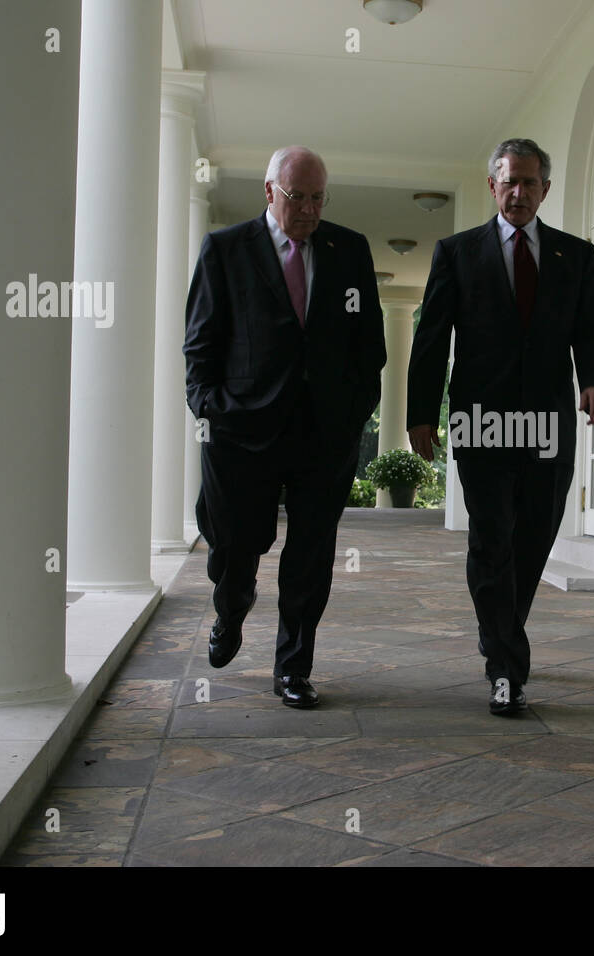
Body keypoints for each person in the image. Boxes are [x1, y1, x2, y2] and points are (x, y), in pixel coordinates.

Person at [406, 138, 594, 716]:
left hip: (549, 421)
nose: (519, 192)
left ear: (544, 190)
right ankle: (506, 667)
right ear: (493, 186)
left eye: (530, 183)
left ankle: (497, 626)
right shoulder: (457, 252)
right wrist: (421, 413)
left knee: (533, 539)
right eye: (509, 182)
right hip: (482, 419)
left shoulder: (575, 256)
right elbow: (432, 337)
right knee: (492, 538)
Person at [183, 146, 385, 708]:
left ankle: (293, 667)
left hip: (325, 434)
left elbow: (370, 344)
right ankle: (233, 601)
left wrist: (354, 411)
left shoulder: (350, 250)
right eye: (299, 197)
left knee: (311, 553)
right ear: (270, 191)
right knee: (234, 542)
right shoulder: (226, 250)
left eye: (319, 198)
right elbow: (200, 342)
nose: (310, 210)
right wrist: (209, 407)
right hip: (241, 431)